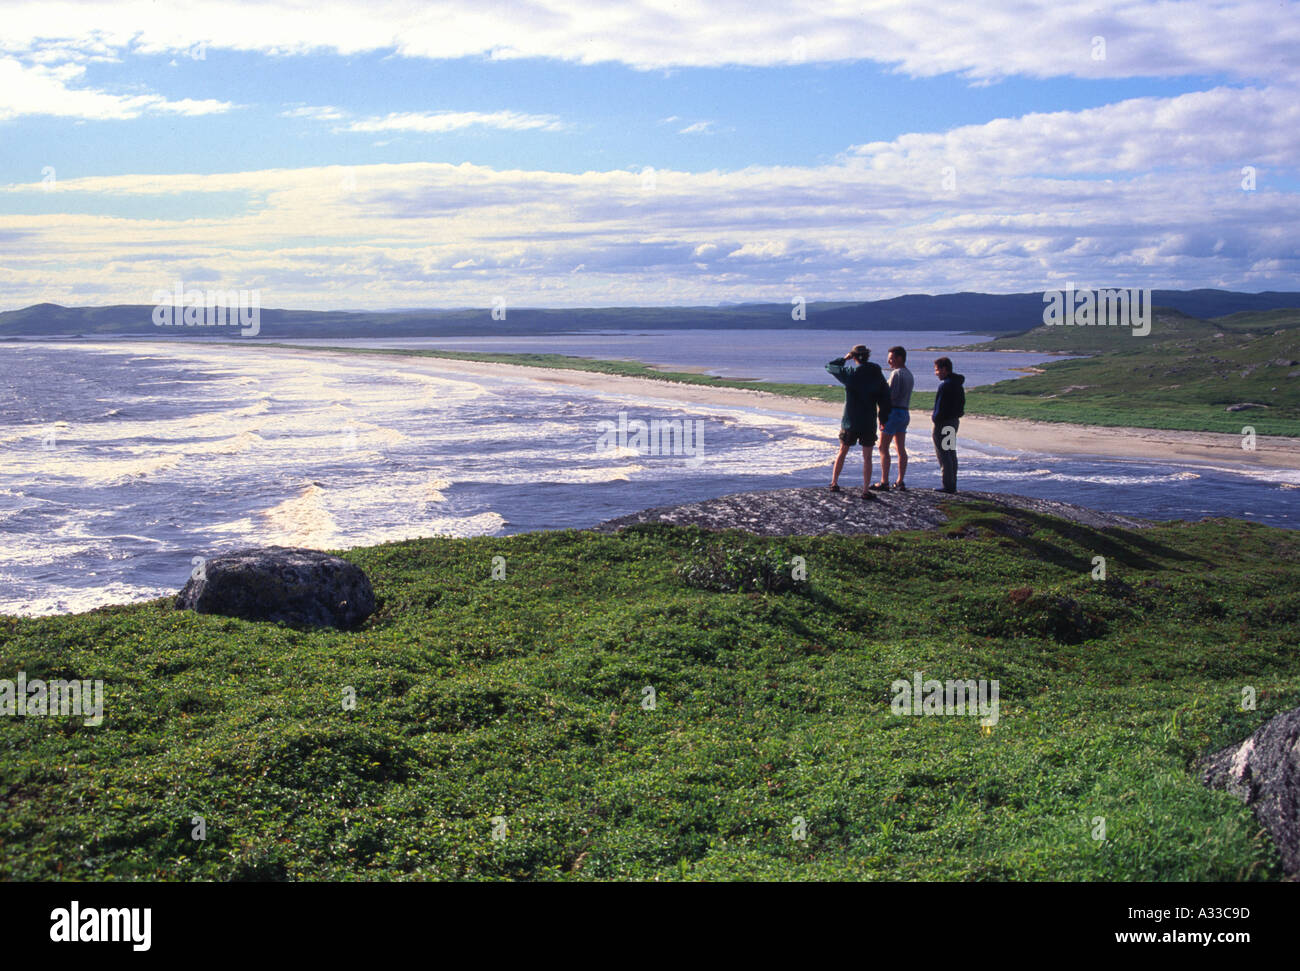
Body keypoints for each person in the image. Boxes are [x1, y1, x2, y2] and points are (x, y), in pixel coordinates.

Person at [826, 345, 892, 499]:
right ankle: (865, 490)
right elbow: (885, 397)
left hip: (850, 420)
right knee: (867, 457)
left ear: (854, 357)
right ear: (868, 356)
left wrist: (844, 358)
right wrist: (883, 418)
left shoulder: (851, 373)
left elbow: (830, 366)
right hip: (868, 421)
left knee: (843, 451)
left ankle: (834, 482)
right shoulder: (876, 373)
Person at [875, 345, 914, 490]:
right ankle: (900, 480)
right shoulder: (909, 374)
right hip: (904, 412)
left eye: (891, 359)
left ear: (900, 358)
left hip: (893, 412)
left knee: (883, 447)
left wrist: (882, 414)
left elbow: (890, 396)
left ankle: (884, 481)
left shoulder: (896, 374)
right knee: (900, 448)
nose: (889, 362)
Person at [931, 356, 965, 494]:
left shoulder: (945, 385)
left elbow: (939, 407)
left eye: (937, 370)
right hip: (953, 421)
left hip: (944, 423)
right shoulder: (957, 383)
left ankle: (948, 485)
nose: (936, 373)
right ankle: (952, 483)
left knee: (944, 454)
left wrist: (935, 419)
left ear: (944, 369)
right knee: (950, 452)